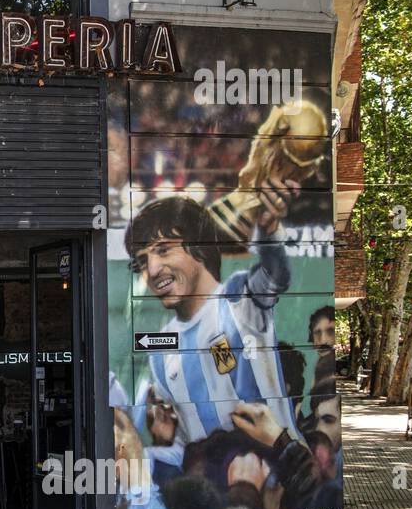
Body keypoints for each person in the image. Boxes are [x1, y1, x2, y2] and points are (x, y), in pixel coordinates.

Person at [124, 192, 304, 471]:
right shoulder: (160, 353)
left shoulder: (237, 298)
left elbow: (275, 276)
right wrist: (148, 452)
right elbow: (185, 449)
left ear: (199, 246)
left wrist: (268, 232)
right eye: (142, 260)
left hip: (282, 486)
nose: (153, 269)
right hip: (222, 502)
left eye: (162, 250)